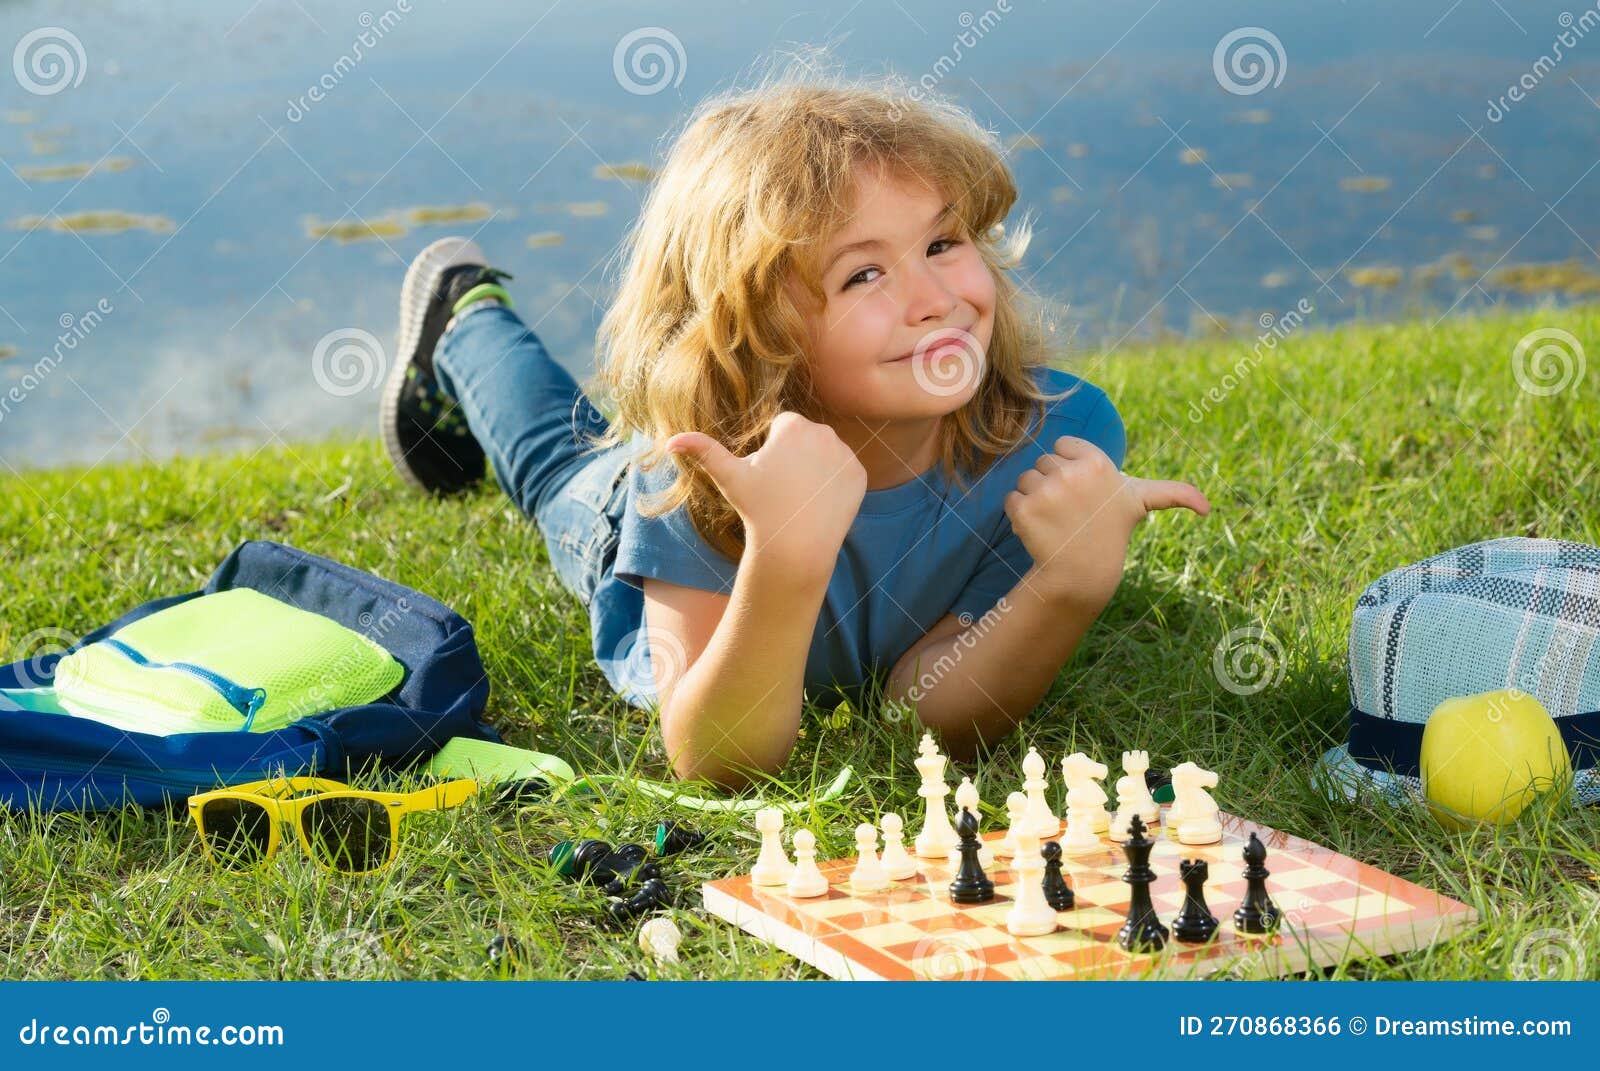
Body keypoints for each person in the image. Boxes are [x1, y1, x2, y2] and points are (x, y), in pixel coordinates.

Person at [377, 68, 1209, 790]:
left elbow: (924, 707)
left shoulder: (1060, 441)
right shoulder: (704, 485)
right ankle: (466, 312)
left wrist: (1064, 587)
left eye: (945, 241)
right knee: (558, 462)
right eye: (864, 273)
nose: (934, 298)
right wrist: (781, 551)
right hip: (636, 508)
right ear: (760, 335)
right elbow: (718, 757)